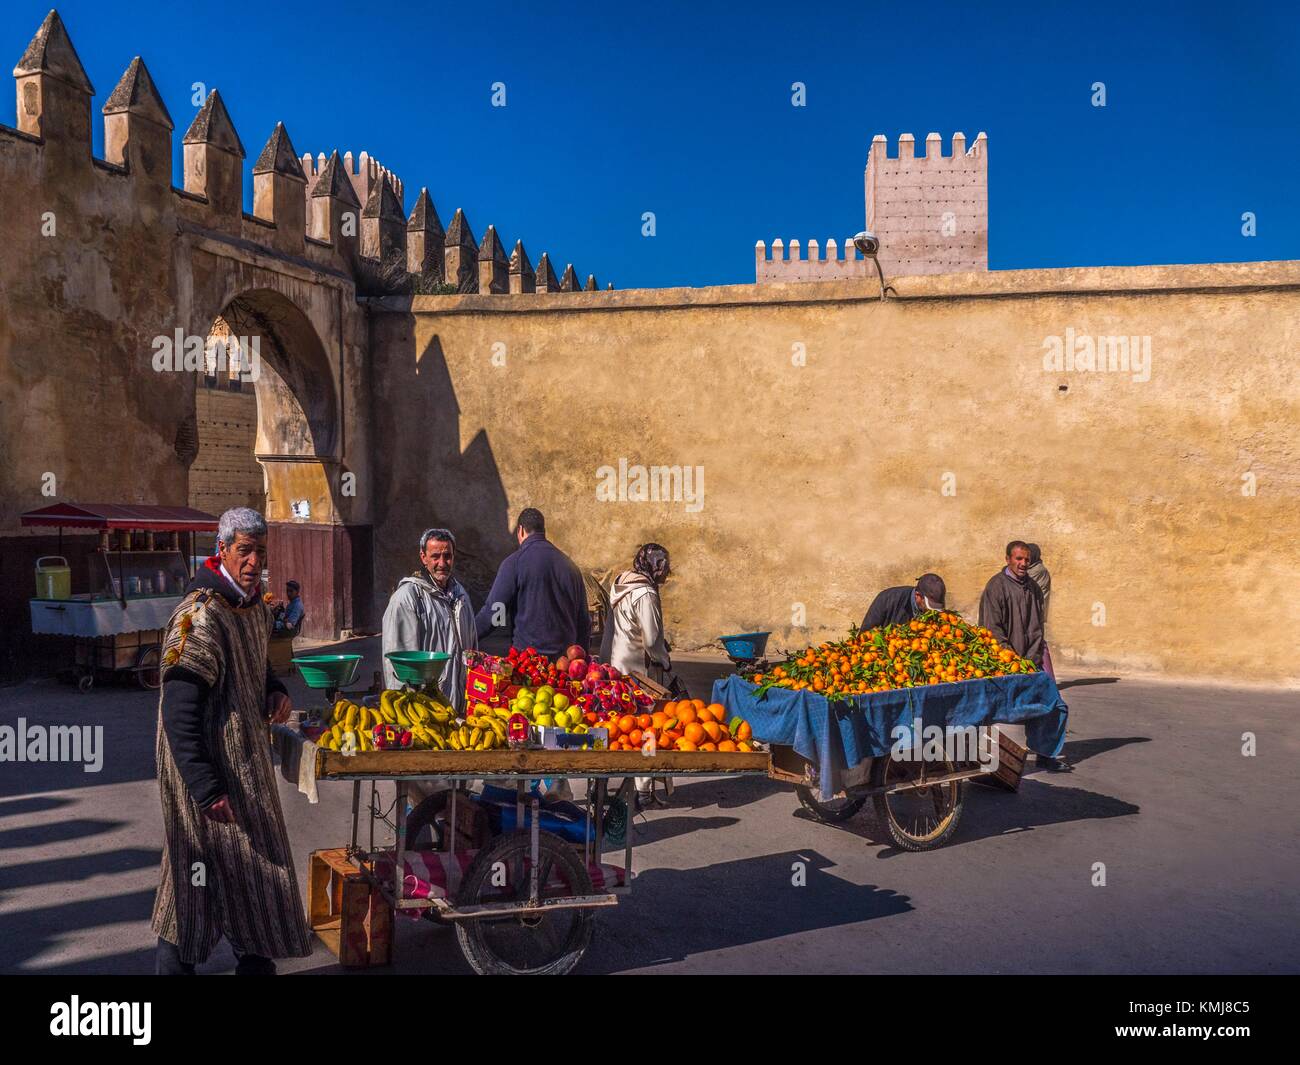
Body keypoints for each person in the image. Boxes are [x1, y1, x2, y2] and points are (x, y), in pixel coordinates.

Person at [152, 507, 312, 975]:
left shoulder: (253, 606)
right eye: (244, 550)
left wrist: (275, 691)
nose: (253, 560)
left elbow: (256, 666)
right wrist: (204, 786)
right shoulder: (200, 615)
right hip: (206, 780)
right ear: (221, 550)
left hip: (245, 773)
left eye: (260, 551)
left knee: (254, 886)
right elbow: (178, 709)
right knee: (190, 894)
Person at [979, 540, 1070, 771]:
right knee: (983, 711)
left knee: (1054, 705)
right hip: (1005, 665)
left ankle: (1045, 752)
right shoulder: (996, 587)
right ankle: (972, 756)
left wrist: (1036, 655)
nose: (1023, 564)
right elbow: (992, 630)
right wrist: (1011, 660)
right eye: (1018, 559)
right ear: (1008, 558)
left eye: (1026, 560)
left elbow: (1038, 625)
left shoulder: (1034, 588)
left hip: (1032, 661)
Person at [604, 544, 676, 808]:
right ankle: (643, 790)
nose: (665, 574)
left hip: (619, 662)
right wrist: (665, 661)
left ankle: (623, 783)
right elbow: (653, 639)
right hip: (642, 671)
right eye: (663, 568)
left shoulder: (621, 583)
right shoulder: (645, 593)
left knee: (624, 727)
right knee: (647, 728)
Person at [381, 528, 477, 712]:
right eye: (435, 556)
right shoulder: (407, 598)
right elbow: (397, 661)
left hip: (460, 706)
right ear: (423, 557)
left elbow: (472, 650)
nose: (442, 563)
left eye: (447, 556)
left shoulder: (461, 596)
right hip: (426, 710)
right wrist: (403, 710)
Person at [475, 508, 591, 657]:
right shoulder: (570, 566)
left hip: (529, 666)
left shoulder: (514, 563)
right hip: (564, 666)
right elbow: (583, 621)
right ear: (543, 531)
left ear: (521, 530)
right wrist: (581, 659)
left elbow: (495, 613)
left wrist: (467, 635)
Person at [860, 573, 947, 631]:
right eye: (929, 606)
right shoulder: (886, 600)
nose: (932, 612)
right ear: (918, 596)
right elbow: (865, 634)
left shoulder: (938, 615)